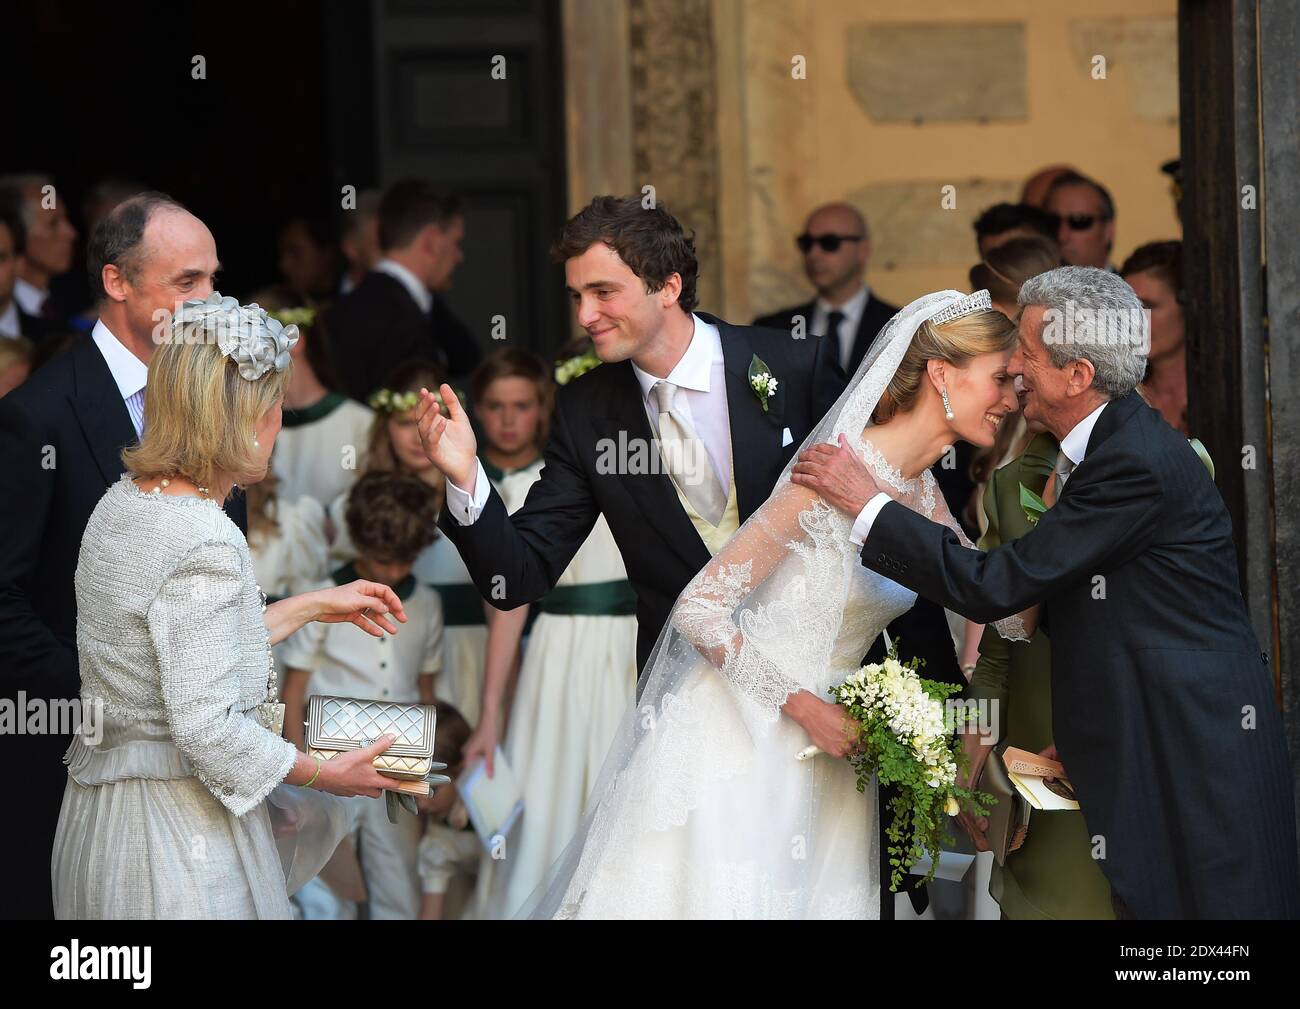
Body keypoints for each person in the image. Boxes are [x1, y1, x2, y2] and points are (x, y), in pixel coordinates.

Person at [796, 266, 1300, 919]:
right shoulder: (1111, 447)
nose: (1014, 371)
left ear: (1077, 375)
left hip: (1196, 761)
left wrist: (869, 505)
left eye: (1026, 355)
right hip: (1160, 745)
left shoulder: (1132, 462)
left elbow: (994, 585)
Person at [512, 290, 1021, 917]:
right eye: (1000, 378)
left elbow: (997, 601)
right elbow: (698, 609)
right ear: (942, 373)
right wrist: (807, 709)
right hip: (738, 738)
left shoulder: (919, 491)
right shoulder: (831, 470)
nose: (1011, 397)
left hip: (837, 754)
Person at [51, 294, 411, 919]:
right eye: (277, 408)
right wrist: (325, 775)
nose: (282, 423)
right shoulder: (205, 534)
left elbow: (177, 653)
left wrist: (307, 606)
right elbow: (206, 727)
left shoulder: (122, 504)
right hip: (178, 841)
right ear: (242, 417)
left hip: (106, 815)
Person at [0, 191, 239, 919]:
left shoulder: (215, 404)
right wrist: (109, 698)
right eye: (187, 282)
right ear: (117, 282)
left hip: (197, 768)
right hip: (73, 762)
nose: (209, 301)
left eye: (214, 279)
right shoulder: (34, 415)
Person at [466, 340, 639, 920]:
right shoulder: (530, 489)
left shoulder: (643, 472)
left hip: (633, 650)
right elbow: (507, 610)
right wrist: (491, 715)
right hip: (558, 654)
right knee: (553, 792)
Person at [282, 470, 444, 919]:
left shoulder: (427, 604)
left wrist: (429, 768)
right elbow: (292, 690)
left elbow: (426, 692)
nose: (392, 572)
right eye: (381, 560)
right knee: (326, 890)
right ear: (358, 540)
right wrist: (301, 773)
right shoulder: (321, 597)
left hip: (399, 770)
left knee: (399, 884)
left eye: (403, 561)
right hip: (328, 766)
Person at [325, 179, 480, 399]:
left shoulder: (338, 312)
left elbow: (467, 355)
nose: (459, 256)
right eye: (456, 243)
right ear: (432, 242)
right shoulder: (404, 324)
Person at [753, 201, 898, 382]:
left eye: (829, 243)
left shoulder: (900, 327)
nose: (814, 254)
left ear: (863, 250)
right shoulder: (772, 329)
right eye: (807, 243)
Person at [1121, 240, 1186, 433]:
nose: (1135, 320)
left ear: (1188, 308)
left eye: (1148, 306)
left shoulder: (1225, 396)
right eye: (1128, 307)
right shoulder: (1121, 398)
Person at [1043, 171, 1117, 270]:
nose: (1062, 236)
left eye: (1079, 221)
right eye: (1053, 222)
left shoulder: (1134, 284)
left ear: (1108, 230)